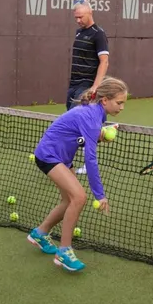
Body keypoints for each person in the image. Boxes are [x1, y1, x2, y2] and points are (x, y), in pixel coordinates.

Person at [28, 78, 128, 272]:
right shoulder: (91, 116)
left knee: (68, 200)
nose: (122, 107)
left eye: (124, 102)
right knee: (79, 197)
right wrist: (100, 195)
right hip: (49, 155)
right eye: (119, 102)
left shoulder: (96, 113)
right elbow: (90, 160)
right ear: (105, 100)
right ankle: (64, 252)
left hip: (62, 157)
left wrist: (99, 136)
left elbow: (81, 136)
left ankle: (40, 233)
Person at [66, 0, 110, 175]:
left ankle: (68, 163)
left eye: (80, 17)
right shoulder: (78, 33)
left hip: (86, 86)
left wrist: (95, 87)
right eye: (75, 17)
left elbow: (104, 61)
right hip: (73, 85)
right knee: (77, 124)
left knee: (74, 123)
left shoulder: (98, 34)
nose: (78, 20)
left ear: (90, 13)